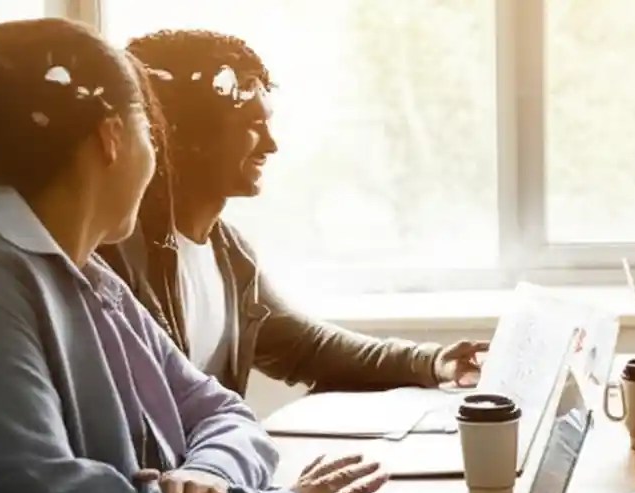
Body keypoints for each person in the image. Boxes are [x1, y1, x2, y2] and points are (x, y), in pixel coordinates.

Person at [0, 20, 384, 493]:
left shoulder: (85, 273)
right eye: (152, 134)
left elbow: (222, 411)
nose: (158, 157)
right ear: (112, 139)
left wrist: (205, 479)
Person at [97, 29, 486, 397]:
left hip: (218, 467)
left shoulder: (230, 252)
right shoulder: (115, 254)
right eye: (253, 126)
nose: (271, 145)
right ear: (188, 135)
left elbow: (305, 348)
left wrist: (433, 362)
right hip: (184, 471)